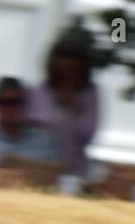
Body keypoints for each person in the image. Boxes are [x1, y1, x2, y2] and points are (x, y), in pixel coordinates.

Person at [25, 30, 99, 177]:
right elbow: (29, 130)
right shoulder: (39, 91)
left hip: (73, 170)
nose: (69, 62)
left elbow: (87, 135)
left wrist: (72, 107)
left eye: (75, 57)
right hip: (39, 167)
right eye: (64, 55)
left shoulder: (90, 94)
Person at [0, 77, 60, 168]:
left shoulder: (43, 144)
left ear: (25, 104)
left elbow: (54, 177)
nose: (9, 108)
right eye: (3, 102)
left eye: (15, 102)